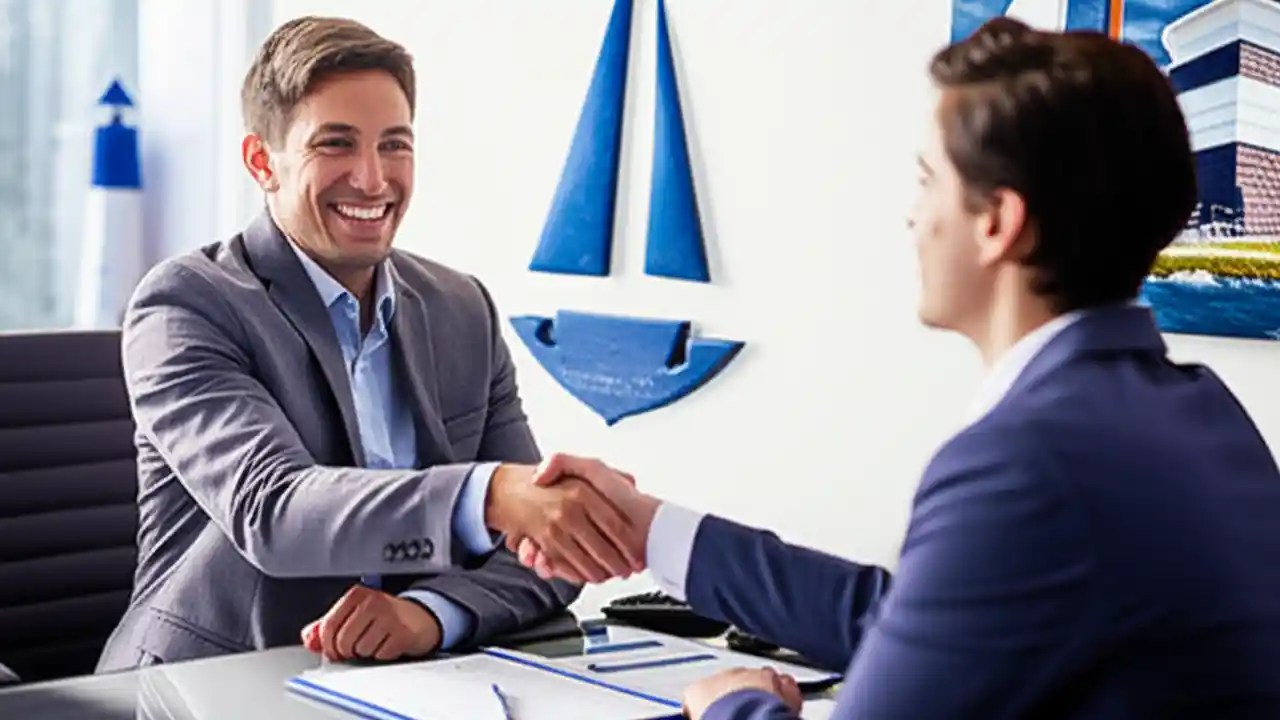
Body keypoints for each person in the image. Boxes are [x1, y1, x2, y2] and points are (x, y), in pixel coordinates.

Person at [518, 18, 1280, 718]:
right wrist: (648, 529)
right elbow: (909, 617)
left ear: (995, 222)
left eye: (927, 181)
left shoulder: (1027, 463)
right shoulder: (1204, 415)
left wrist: (733, 706)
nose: (913, 217)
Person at [98, 16, 646, 672]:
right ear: (262, 161)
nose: (372, 178)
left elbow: (540, 554)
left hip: (412, 684)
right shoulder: (187, 303)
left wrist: (429, 614)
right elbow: (274, 510)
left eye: (394, 145)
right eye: (336, 144)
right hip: (209, 686)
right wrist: (493, 494)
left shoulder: (461, 308)